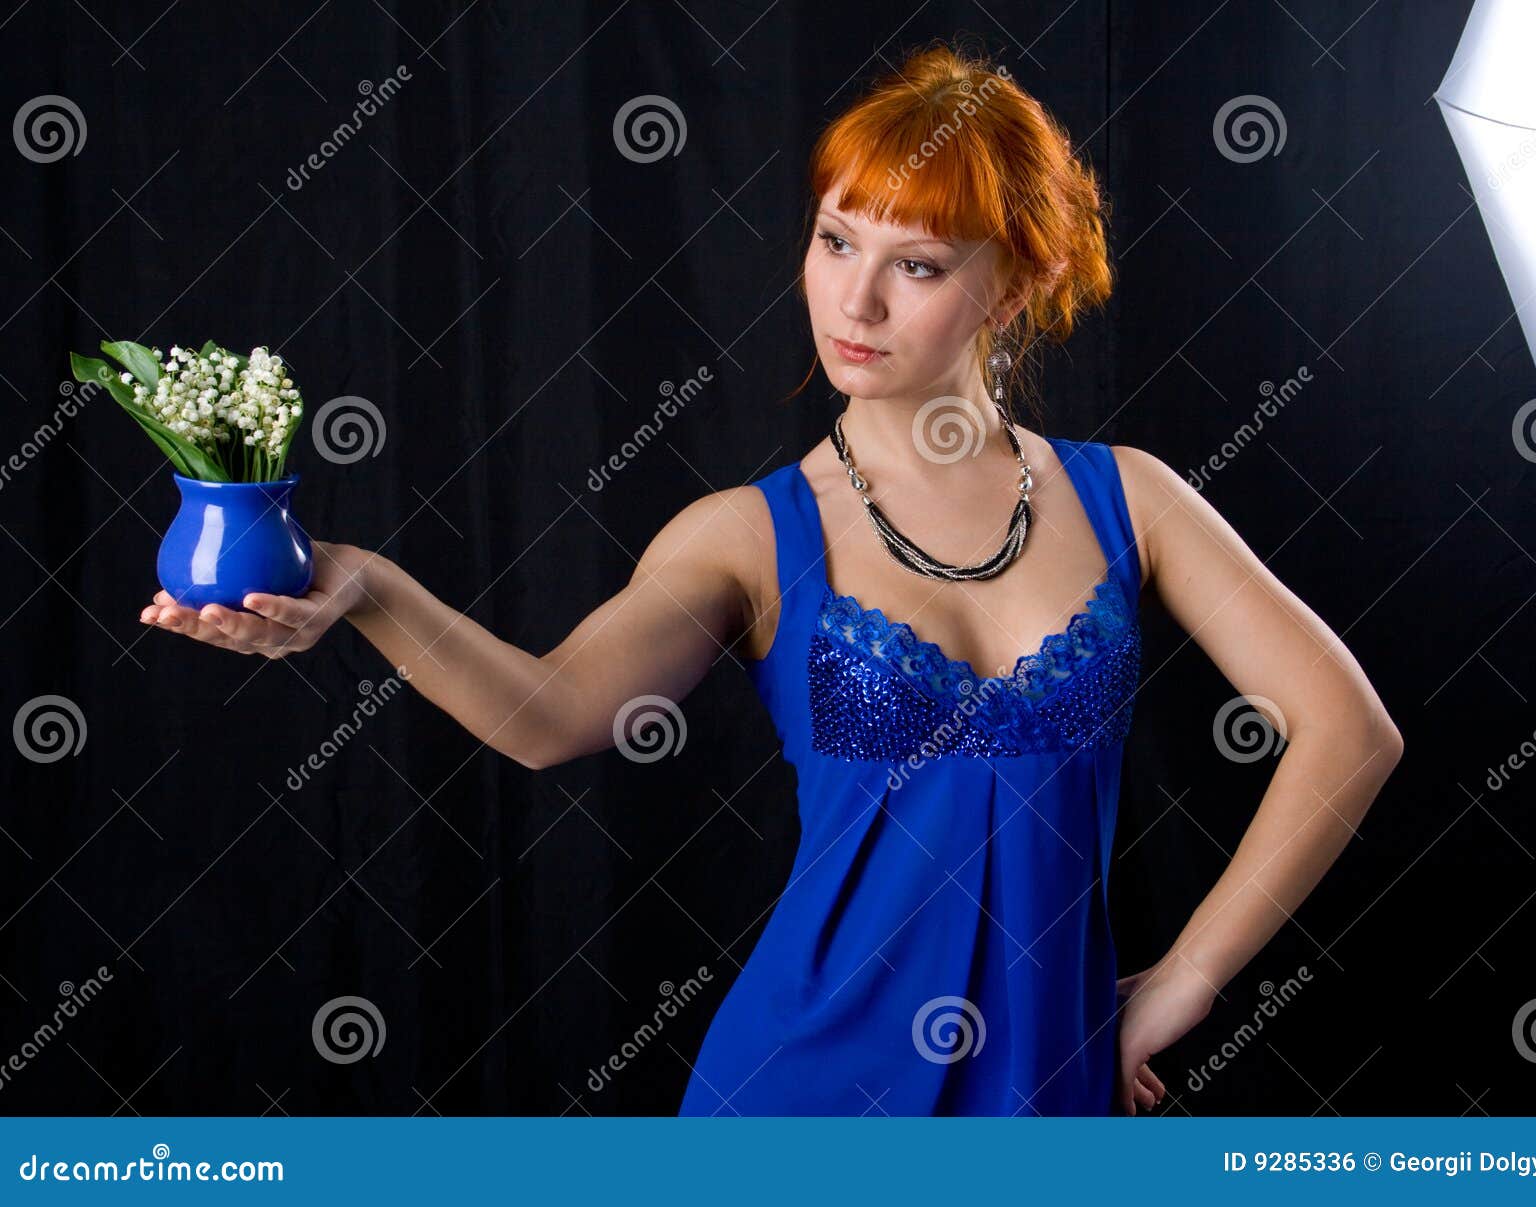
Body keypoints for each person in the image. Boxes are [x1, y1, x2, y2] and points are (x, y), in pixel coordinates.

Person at [139, 43, 1403, 1116]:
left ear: (1016, 283)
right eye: (835, 239)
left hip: (1047, 1088)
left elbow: (1349, 731)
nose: (855, 298)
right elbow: (548, 715)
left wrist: (1187, 978)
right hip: (800, 1094)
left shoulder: (1130, 499)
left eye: (917, 264)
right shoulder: (749, 536)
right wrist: (366, 586)